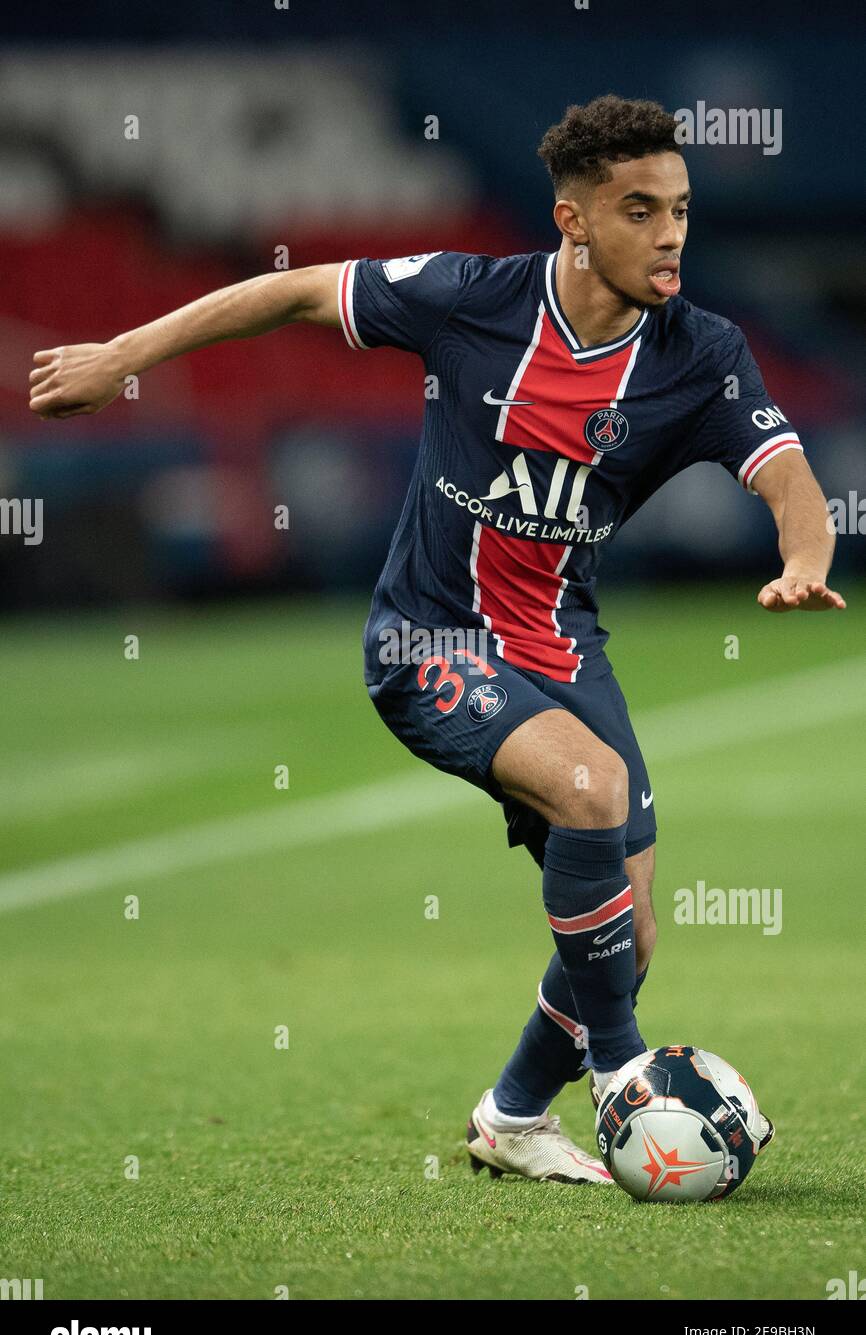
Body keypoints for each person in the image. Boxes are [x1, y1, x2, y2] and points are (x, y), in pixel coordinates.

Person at [29, 95, 844, 1185]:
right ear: (570, 220)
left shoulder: (699, 353)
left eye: (680, 209)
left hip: (561, 647)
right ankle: (619, 1076)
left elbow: (788, 477)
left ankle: (511, 1117)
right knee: (592, 793)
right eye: (639, 210)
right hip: (427, 637)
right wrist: (121, 355)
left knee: (628, 938)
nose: (668, 234)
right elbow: (296, 288)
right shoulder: (470, 299)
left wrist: (804, 560)